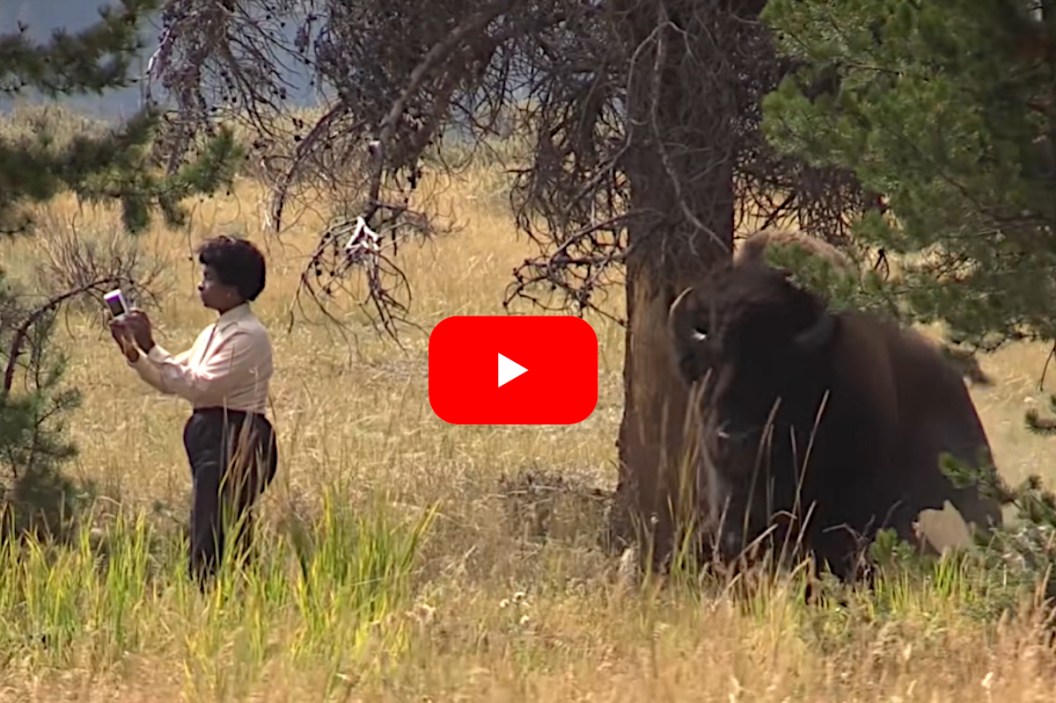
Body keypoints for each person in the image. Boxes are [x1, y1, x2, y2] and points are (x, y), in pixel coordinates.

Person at [110, 235, 278, 587]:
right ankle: (232, 594)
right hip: (213, 435)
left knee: (214, 528)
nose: (201, 285)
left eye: (210, 278)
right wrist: (135, 353)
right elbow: (172, 379)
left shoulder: (248, 335)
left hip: (235, 436)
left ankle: (212, 594)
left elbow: (198, 385)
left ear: (233, 289)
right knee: (217, 522)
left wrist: (152, 346)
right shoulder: (215, 332)